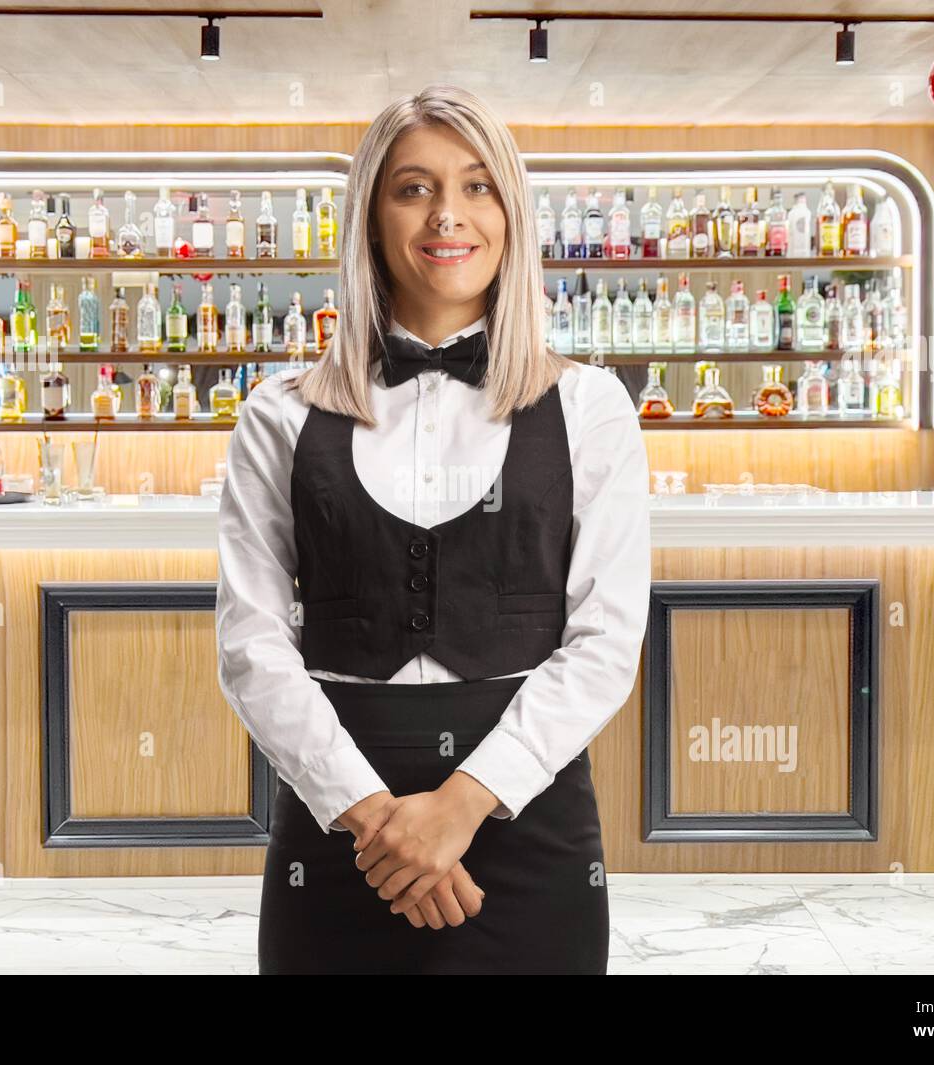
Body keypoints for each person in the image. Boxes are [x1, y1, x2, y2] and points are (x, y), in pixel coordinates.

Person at [215, 83, 650, 974]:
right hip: (338, 821)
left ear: (512, 214)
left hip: (523, 812)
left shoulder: (591, 406)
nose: (448, 215)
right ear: (371, 217)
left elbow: (606, 640)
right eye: (413, 188)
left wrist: (460, 805)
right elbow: (251, 644)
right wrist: (375, 817)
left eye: (479, 186)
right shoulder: (277, 415)